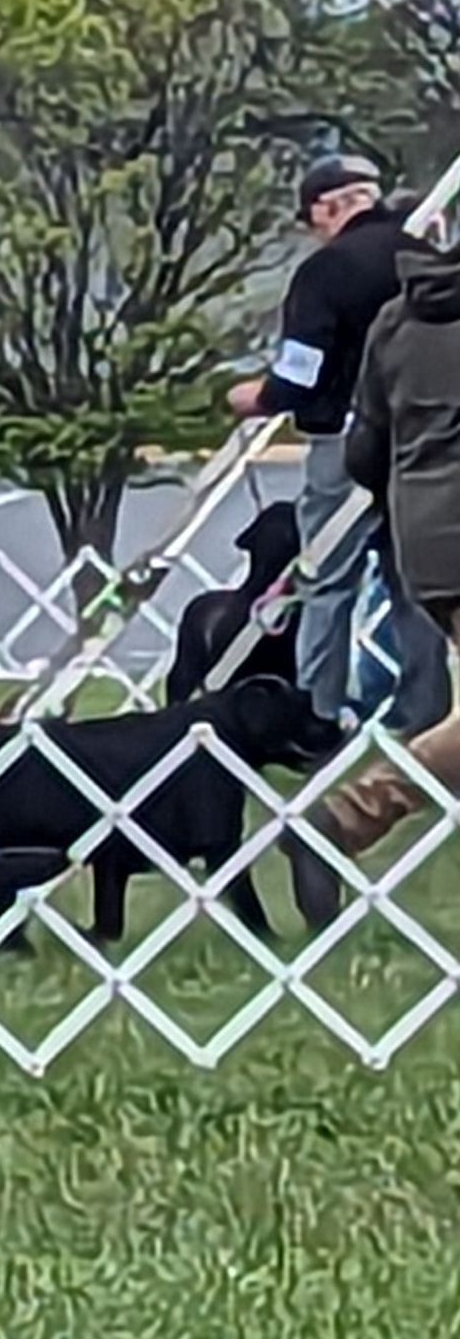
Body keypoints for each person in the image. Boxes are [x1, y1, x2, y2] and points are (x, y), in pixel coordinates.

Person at [228, 156, 451, 738]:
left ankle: (316, 717)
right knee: (412, 584)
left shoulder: (326, 271)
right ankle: (424, 717)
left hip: (344, 441)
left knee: (327, 580)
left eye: (312, 218)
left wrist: (256, 397)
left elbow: (300, 374)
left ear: (328, 208)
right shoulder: (426, 262)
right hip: (424, 445)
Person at [283, 240, 460, 926]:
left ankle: (341, 823)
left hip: (425, 534)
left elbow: (364, 448)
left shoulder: (397, 318)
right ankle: (341, 821)